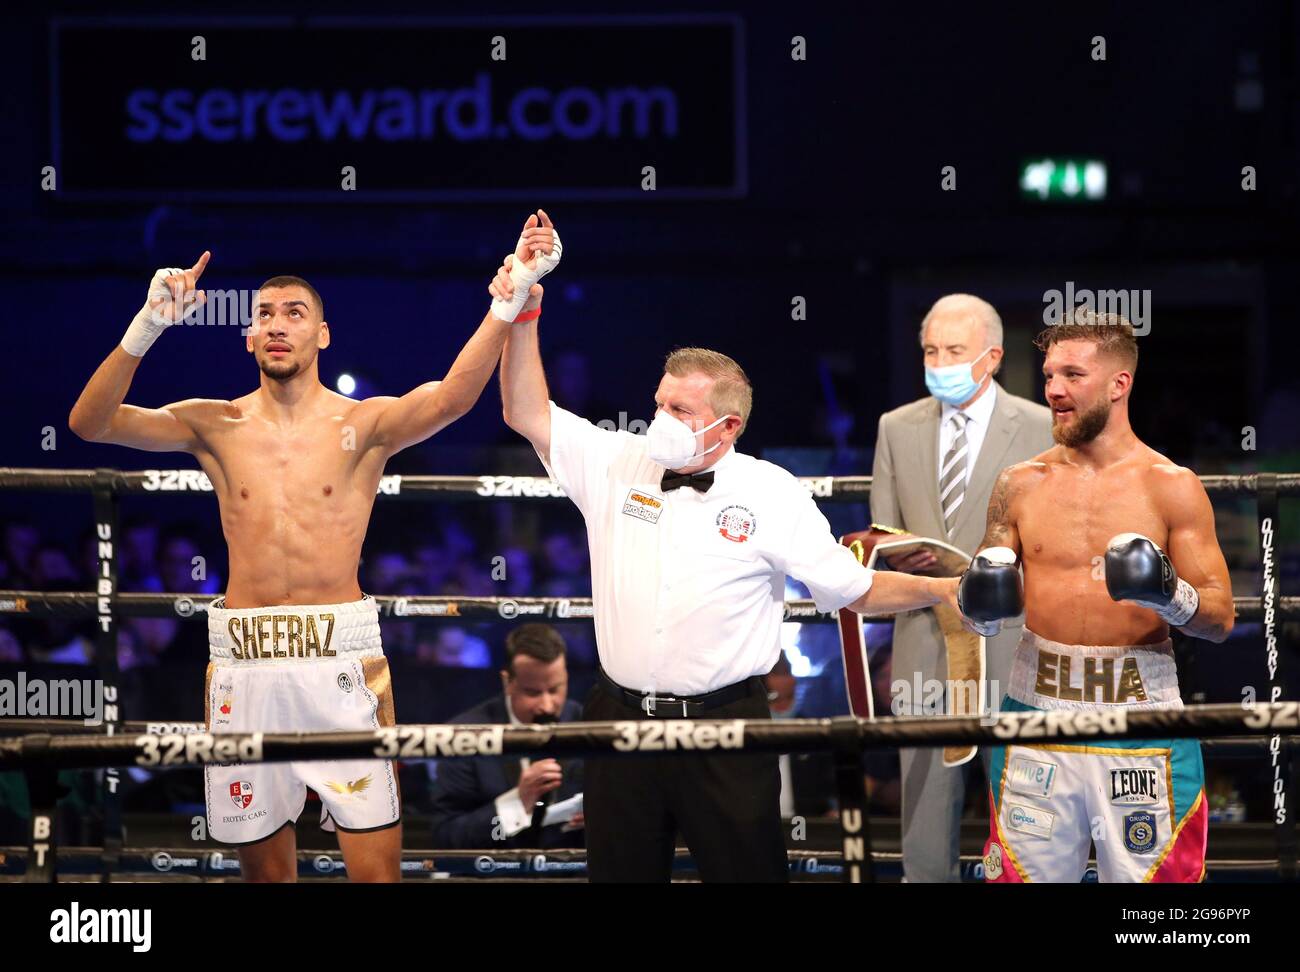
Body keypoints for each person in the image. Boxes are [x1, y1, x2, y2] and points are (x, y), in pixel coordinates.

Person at [67, 211, 560, 881]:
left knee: (376, 874)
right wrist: (146, 324)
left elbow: (450, 399)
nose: (276, 323)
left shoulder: (364, 423)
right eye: (264, 313)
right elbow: (90, 424)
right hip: (245, 661)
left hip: (341, 660)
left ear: (321, 333)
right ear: (248, 337)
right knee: (268, 877)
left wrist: (513, 294)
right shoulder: (214, 424)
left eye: (294, 312)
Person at [492, 238, 963, 882]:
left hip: (727, 729)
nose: (660, 418)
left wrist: (943, 592)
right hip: (620, 720)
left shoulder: (771, 491)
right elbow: (523, 411)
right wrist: (523, 311)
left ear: (728, 426)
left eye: (680, 410)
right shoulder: (616, 461)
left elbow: (851, 588)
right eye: (659, 402)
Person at [956, 309, 1234, 883]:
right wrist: (978, 602)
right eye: (1050, 374)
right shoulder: (1019, 483)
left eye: (1073, 375)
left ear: (1119, 384)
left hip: (1138, 722)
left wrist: (1167, 595)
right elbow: (983, 605)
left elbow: (1219, 618)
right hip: (1035, 715)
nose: (1054, 389)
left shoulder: (1171, 487)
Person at [871, 293, 1053, 882]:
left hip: (1016, 642)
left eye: (954, 350)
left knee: (1027, 812)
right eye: (930, 350)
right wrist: (904, 555)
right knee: (923, 816)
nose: (939, 360)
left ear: (992, 356)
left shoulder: (1041, 425)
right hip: (925, 637)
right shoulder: (895, 427)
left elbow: (1058, 538)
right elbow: (880, 536)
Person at [429, 623, 584, 849]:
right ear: (507, 682)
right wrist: (516, 804)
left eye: (555, 690)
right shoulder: (465, 734)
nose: (547, 706)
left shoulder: (585, 723)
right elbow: (448, 837)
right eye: (532, 692)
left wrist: (600, 821)